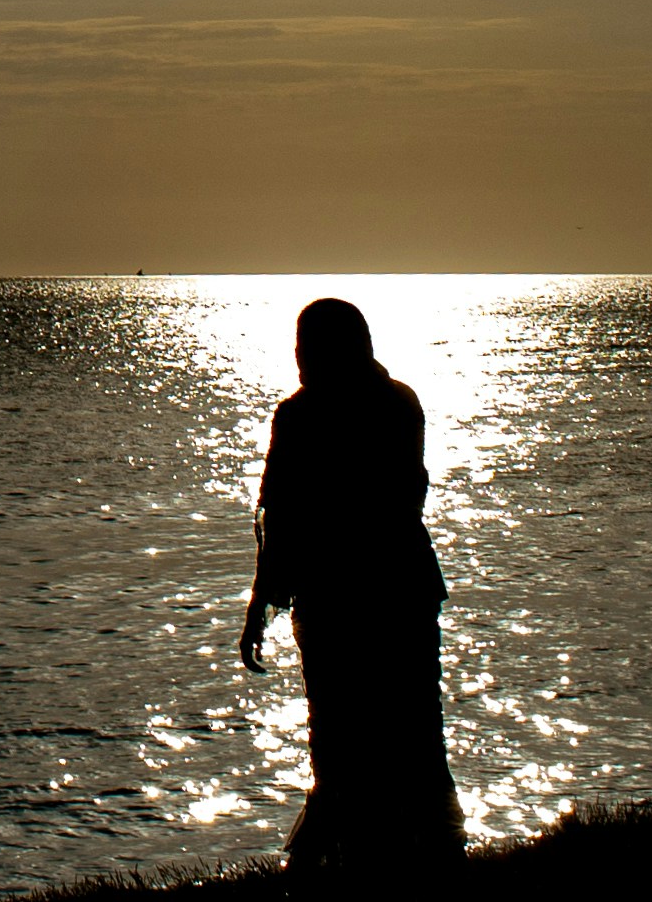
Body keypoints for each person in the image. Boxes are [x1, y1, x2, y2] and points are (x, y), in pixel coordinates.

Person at [238, 297, 462, 878]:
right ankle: (434, 857)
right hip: (406, 587)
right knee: (417, 735)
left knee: (337, 741)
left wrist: (259, 606)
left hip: (336, 598)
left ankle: (338, 867)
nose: (297, 358)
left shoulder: (301, 417)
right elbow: (406, 495)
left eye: (303, 346)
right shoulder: (400, 402)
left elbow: (281, 520)